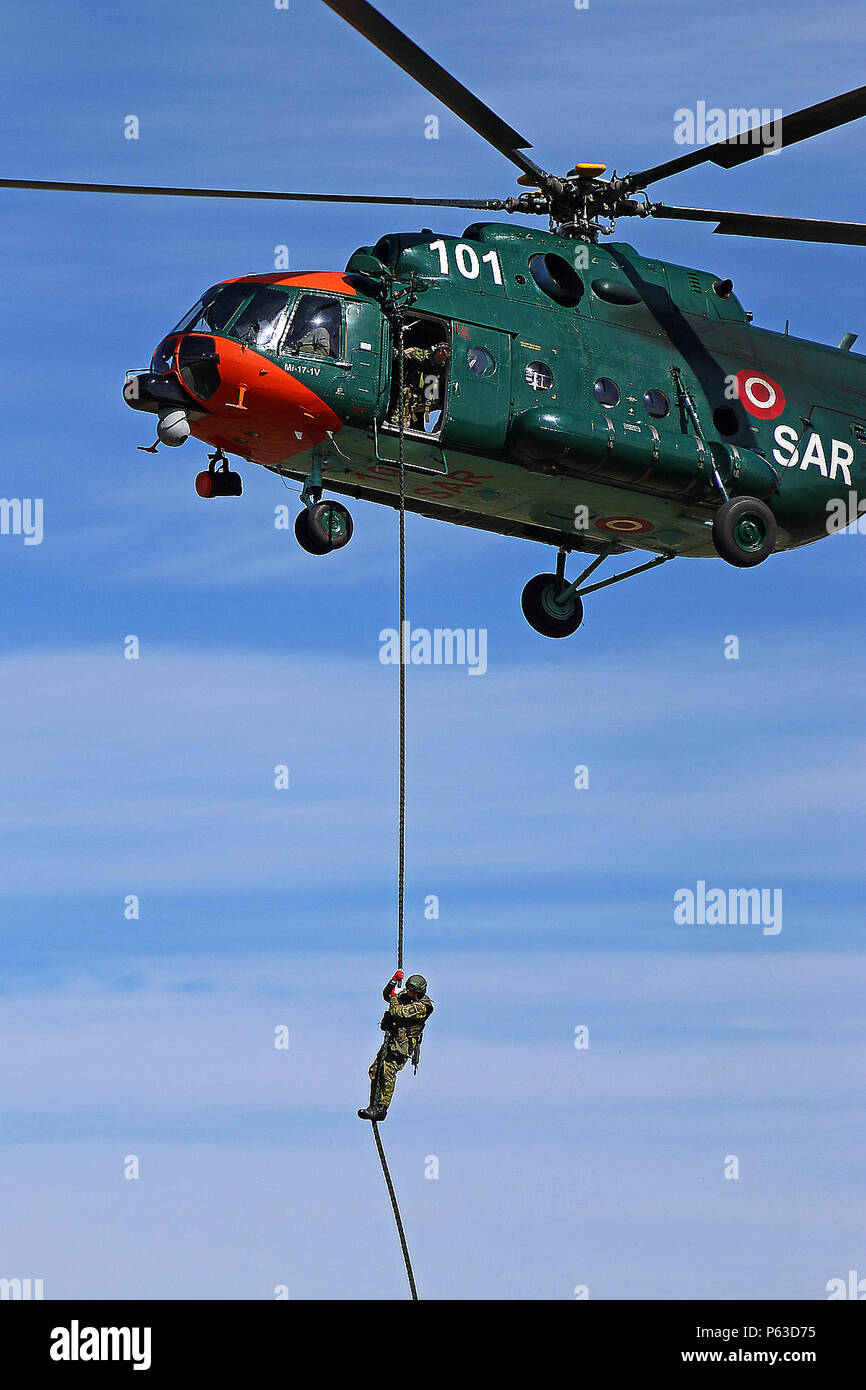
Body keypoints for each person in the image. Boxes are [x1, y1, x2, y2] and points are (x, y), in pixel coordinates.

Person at [358, 970, 434, 1121]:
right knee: (375, 1070)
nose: (409, 994)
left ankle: (382, 1108)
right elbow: (387, 995)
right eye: (409, 991)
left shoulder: (422, 1007)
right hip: (393, 1039)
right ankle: (373, 1104)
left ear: (420, 993)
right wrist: (393, 981)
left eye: (413, 992)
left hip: (402, 1045)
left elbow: (399, 1012)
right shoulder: (407, 995)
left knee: (388, 1072)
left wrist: (394, 997)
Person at [397, 342, 450, 430]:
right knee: (400, 424)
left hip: (426, 399)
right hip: (409, 397)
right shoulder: (422, 356)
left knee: (446, 404)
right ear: (435, 351)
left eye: (445, 356)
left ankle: (437, 430)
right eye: (441, 353)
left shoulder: (443, 368)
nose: (441, 358)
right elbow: (403, 354)